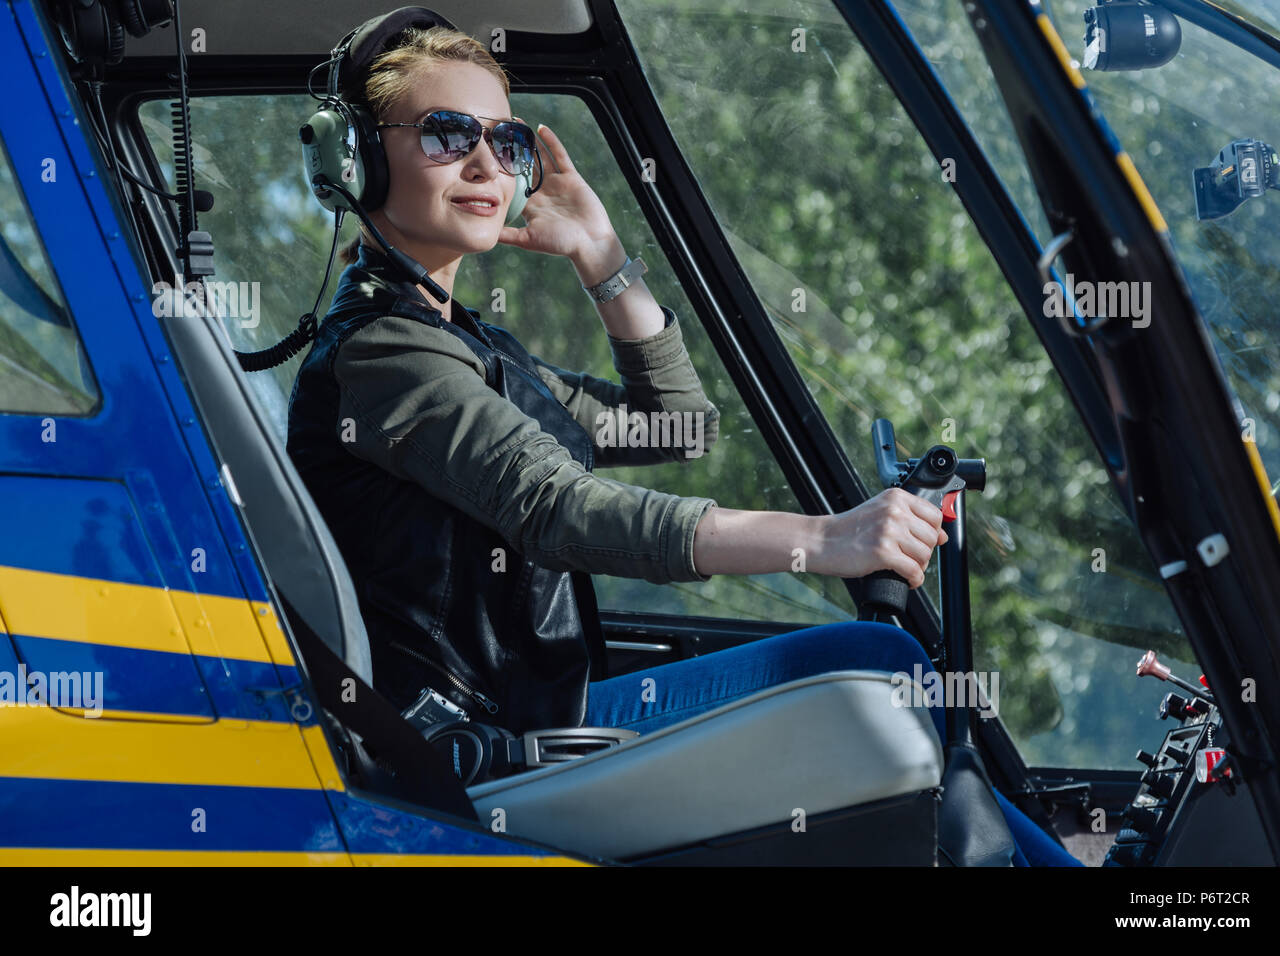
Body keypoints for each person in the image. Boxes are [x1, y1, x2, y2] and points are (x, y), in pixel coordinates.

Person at [286, 11, 1080, 867]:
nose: (486, 165)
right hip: (470, 757)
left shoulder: (466, 343)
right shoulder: (382, 353)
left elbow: (678, 420)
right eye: (446, 134)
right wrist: (824, 539)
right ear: (356, 158)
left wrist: (602, 257)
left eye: (504, 140)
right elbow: (560, 509)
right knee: (874, 660)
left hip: (541, 718)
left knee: (881, 658)